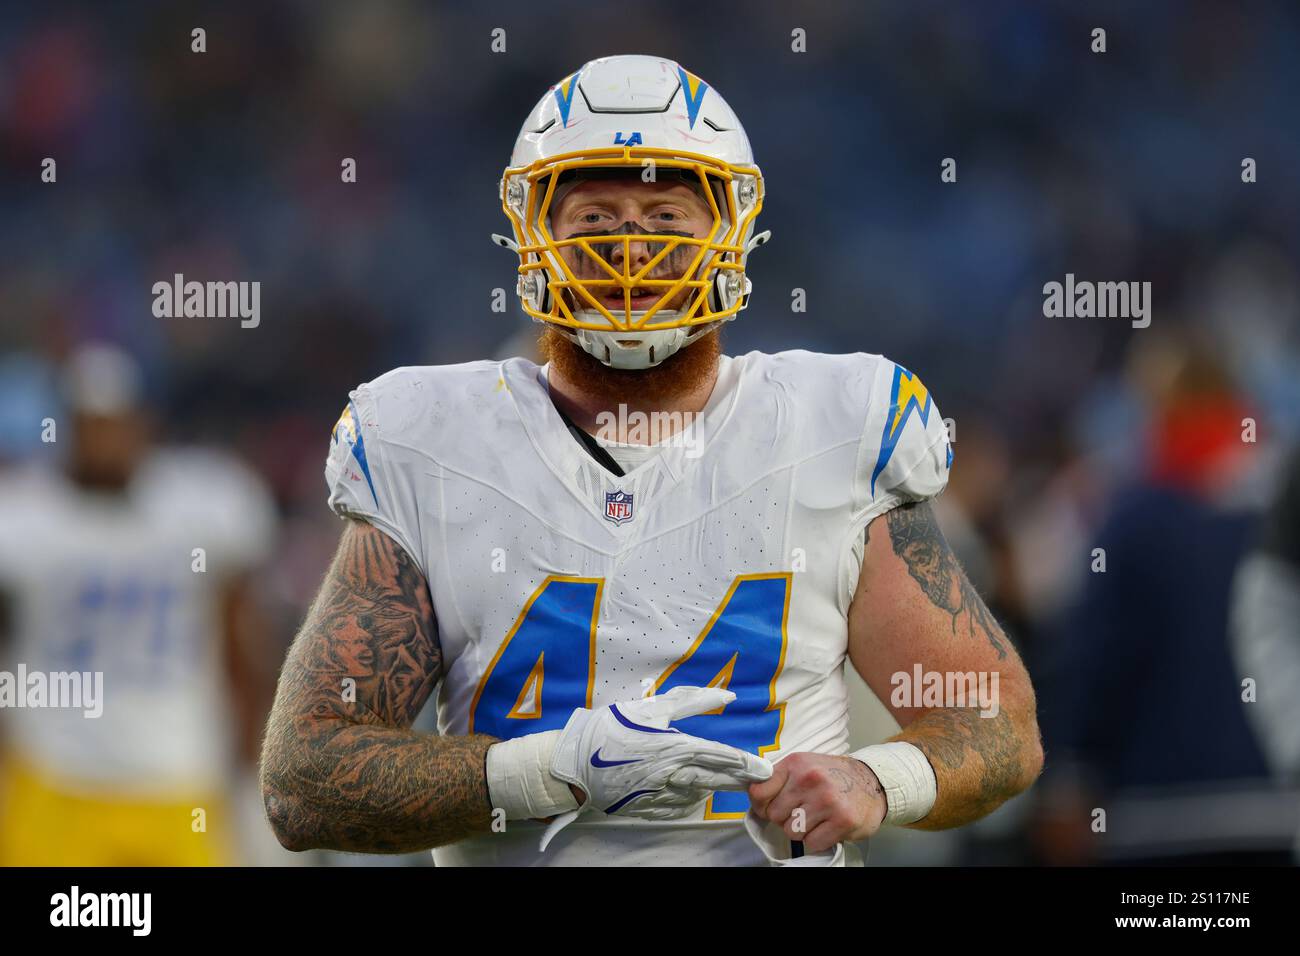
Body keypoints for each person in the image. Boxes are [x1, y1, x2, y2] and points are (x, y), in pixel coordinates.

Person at [260, 54, 1043, 867]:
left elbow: (993, 720)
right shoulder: (430, 436)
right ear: (535, 233)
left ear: (731, 232)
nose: (632, 248)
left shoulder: (838, 421)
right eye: (596, 220)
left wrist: (876, 781)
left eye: (667, 217)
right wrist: (552, 771)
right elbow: (302, 781)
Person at [0, 344, 277, 865]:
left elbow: (240, 644)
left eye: (115, 423)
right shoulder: (23, 519)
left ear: (142, 424)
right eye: (91, 425)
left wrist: (252, 768)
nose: (105, 441)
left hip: (176, 776)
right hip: (55, 774)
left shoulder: (199, 505)